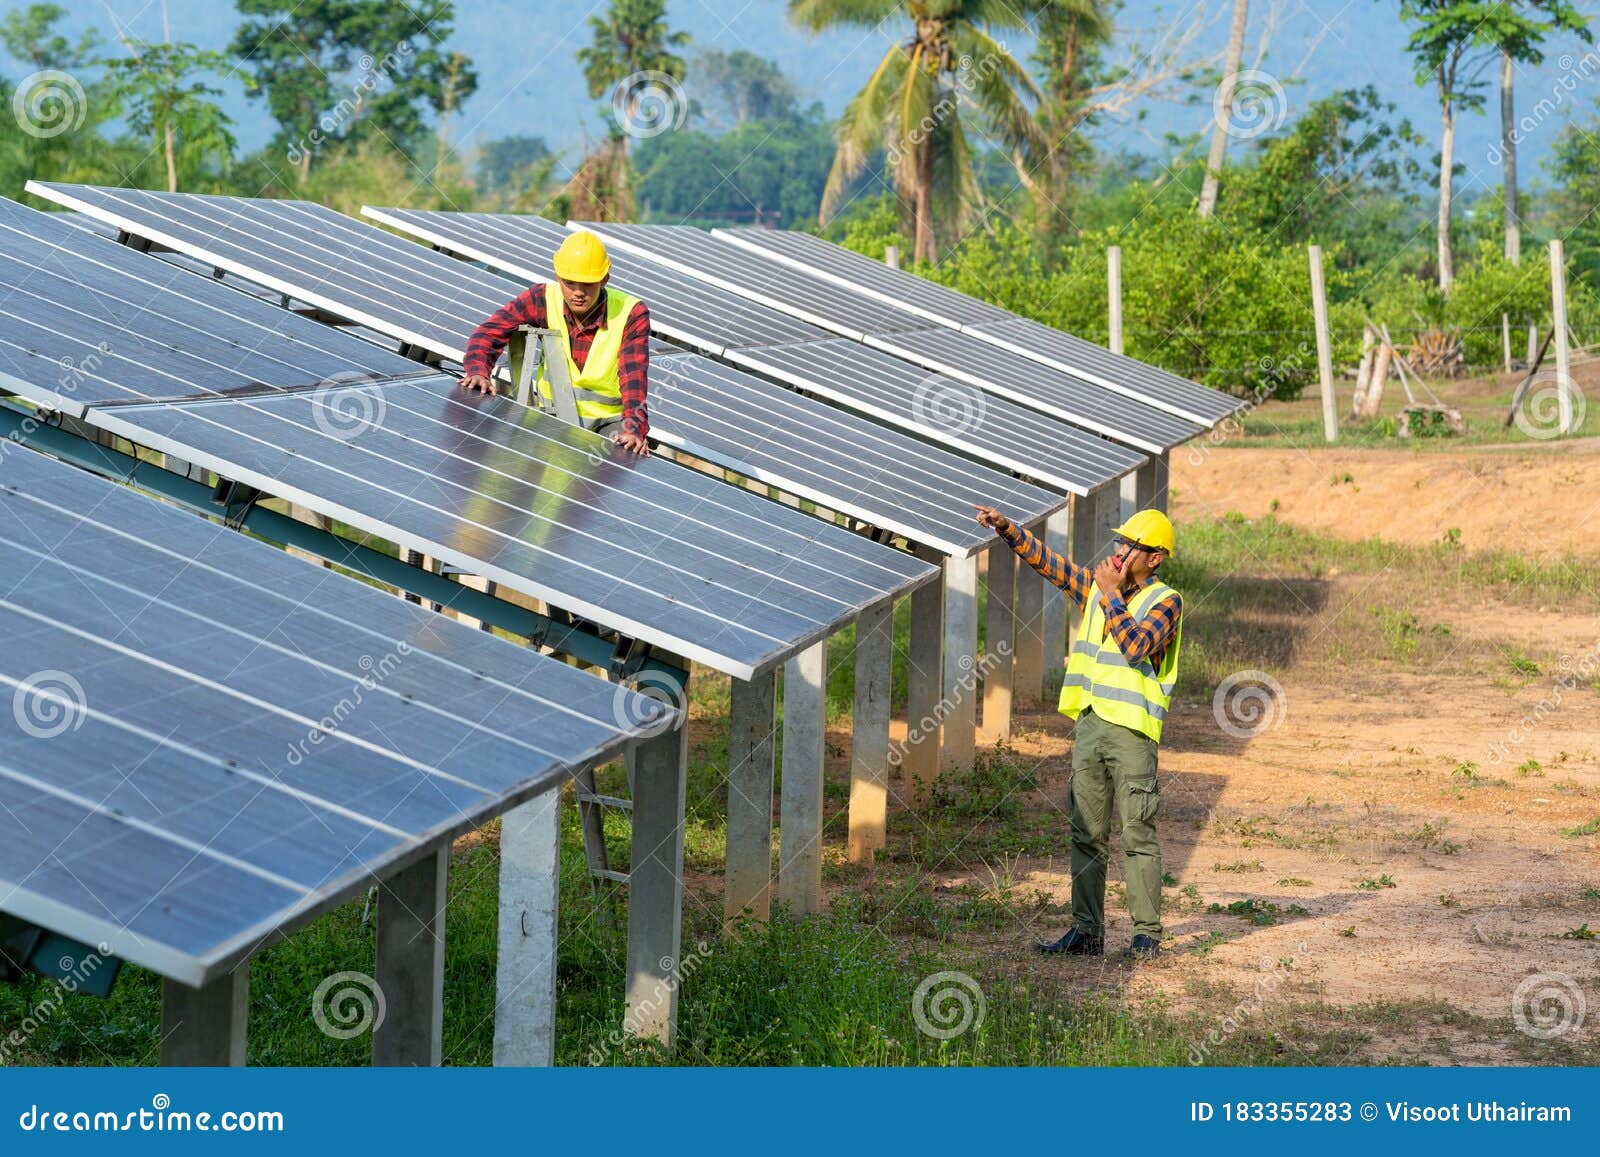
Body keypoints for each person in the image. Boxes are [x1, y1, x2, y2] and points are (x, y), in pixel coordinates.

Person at [973, 504, 1183, 960]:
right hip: (1090, 726)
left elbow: (1135, 647)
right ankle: (1086, 932)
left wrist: (1109, 596)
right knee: (1085, 831)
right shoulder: (1100, 588)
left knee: (1136, 833)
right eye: (1119, 543)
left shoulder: (1165, 601)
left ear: (1155, 558)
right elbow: (1051, 566)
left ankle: (1146, 936)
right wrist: (1010, 530)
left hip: (1131, 733)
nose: (1120, 552)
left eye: (1131, 547)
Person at [459, 230, 651, 457]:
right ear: (558, 276)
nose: (578, 292)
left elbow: (633, 375)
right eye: (569, 283)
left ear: (604, 279)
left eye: (587, 284)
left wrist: (633, 429)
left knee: (620, 460)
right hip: (550, 416)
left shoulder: (631, 313)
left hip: (608, 426)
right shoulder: (542, 298)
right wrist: (478, 371)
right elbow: (489, 333)